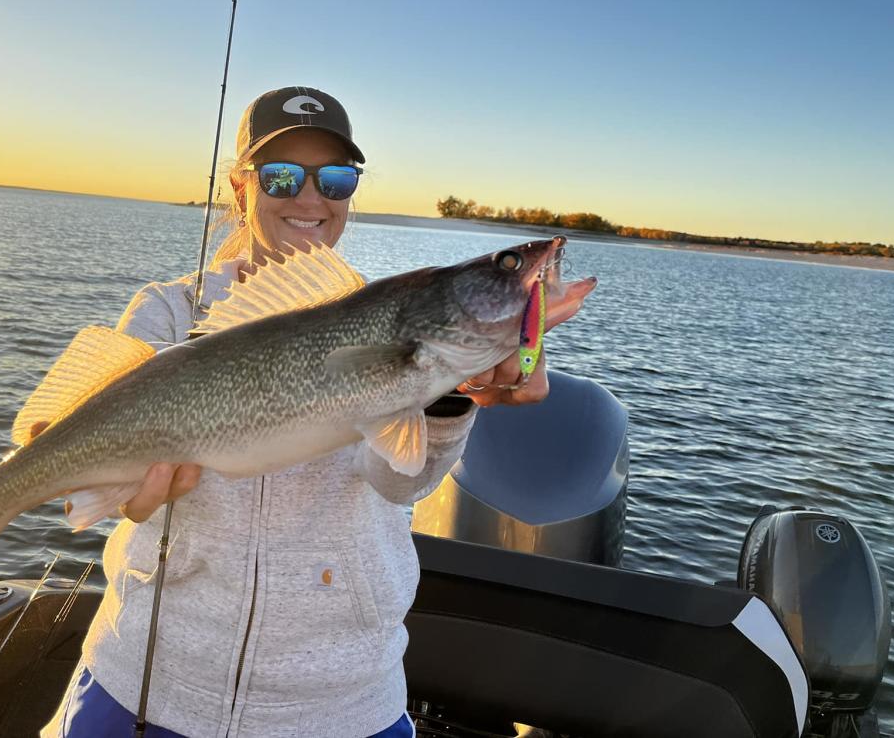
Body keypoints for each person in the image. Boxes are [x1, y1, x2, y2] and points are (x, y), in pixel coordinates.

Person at [41, 87, 552, 738]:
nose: (311, 198)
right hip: (149, 677)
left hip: (341, 703)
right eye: (282, 175)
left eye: (336, 179)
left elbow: (401, 479)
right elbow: (84, 457)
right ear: (241, 185)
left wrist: (454, 390)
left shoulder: (391, 317)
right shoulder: (169, 312)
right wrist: (117, 494)